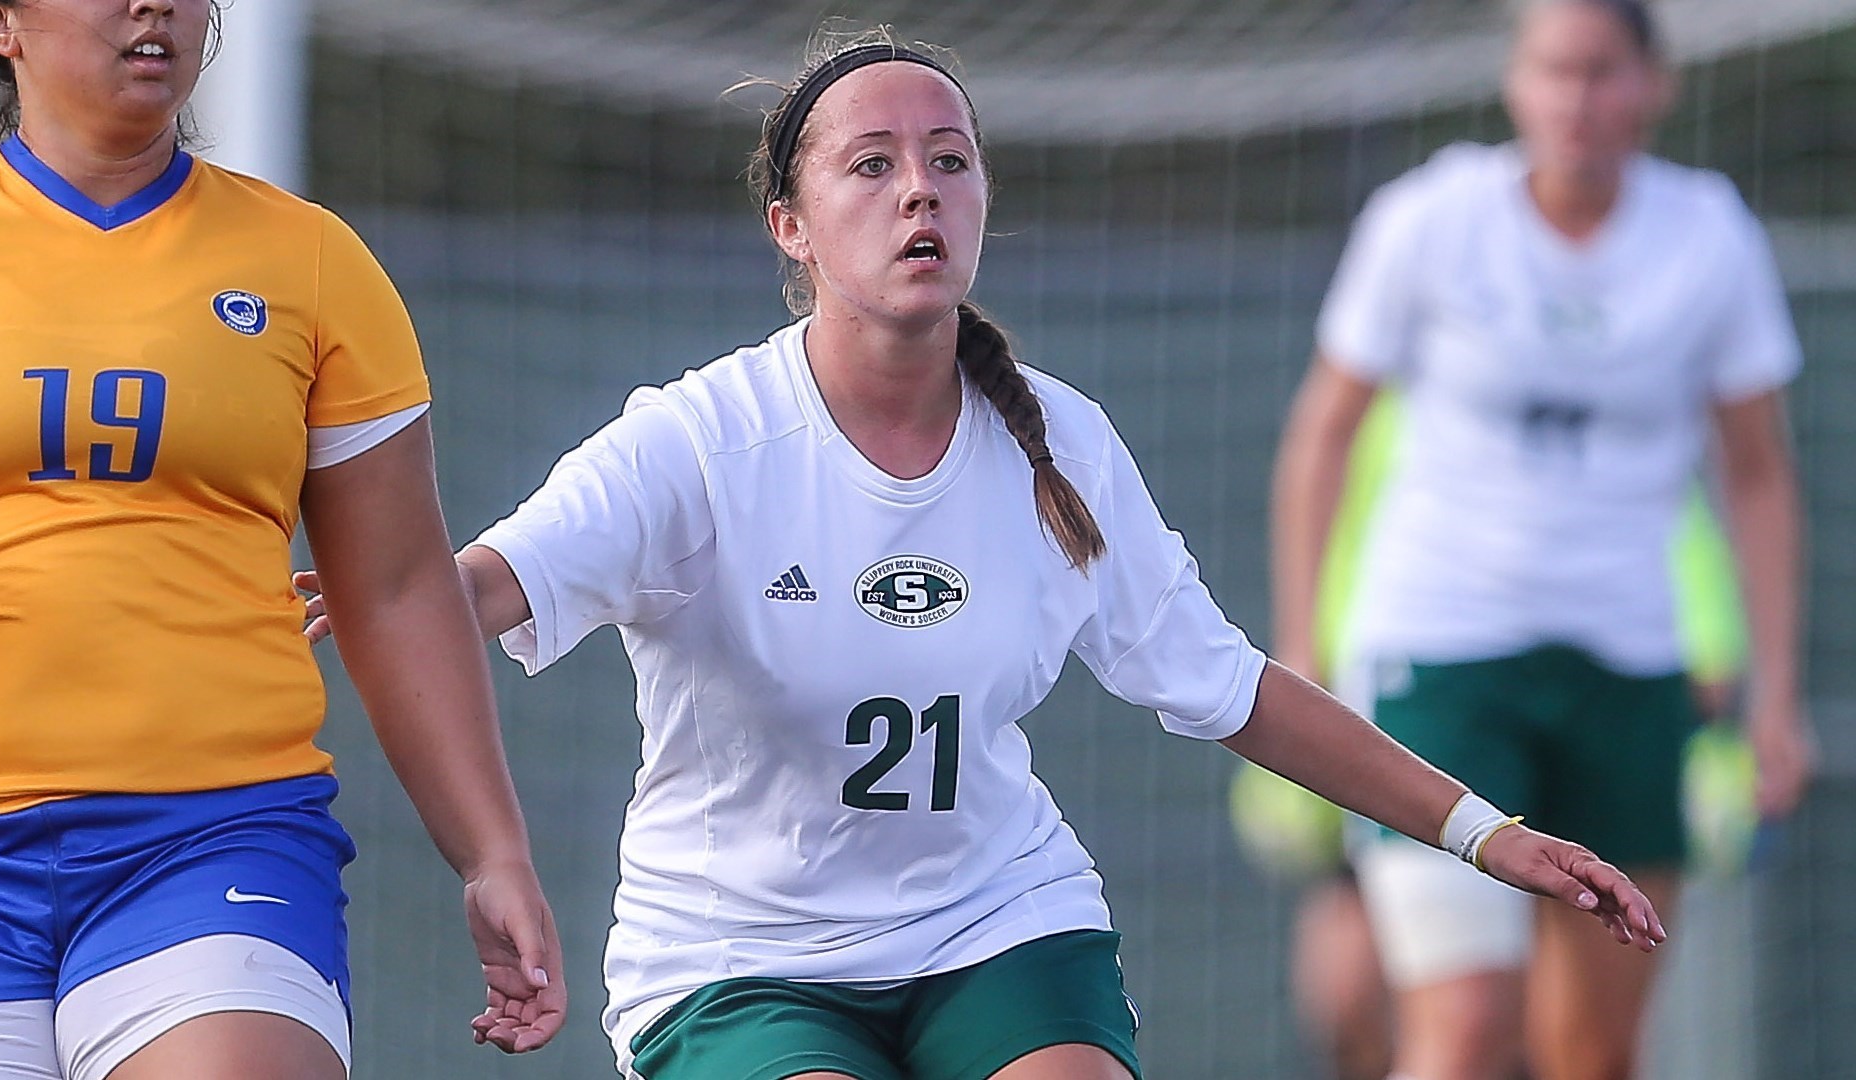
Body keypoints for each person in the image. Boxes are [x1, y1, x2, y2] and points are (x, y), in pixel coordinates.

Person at [302, 28, 1664, 1080]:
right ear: (790, 223)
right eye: (873, 164)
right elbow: (475, 585)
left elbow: (1232, 687)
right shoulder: (701, 440)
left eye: (949, 160)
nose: (920, 193)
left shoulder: (1060, 444)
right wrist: (344, 606)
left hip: (992, 926)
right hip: (741, 956)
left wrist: (1488, 835)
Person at [0, 2, 565, 1077]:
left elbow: (401, 585)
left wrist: (490, 850)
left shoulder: (309, 260)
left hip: (213, 839)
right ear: (0, 19)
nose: (158, 6)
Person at [1269, 1, 1811, 1077]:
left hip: (1629, 667)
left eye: (1604, 71)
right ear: (1516, 81)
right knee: (1463, 1032)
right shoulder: (1429, 217)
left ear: (1654, 86)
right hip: (1444, 658)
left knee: (1594, 1051)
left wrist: (1777, 698)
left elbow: (1756, 476)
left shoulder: (1709, 235)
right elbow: (1321, 435)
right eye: (1554, 69)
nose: (1577, 97)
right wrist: (1302, 644)